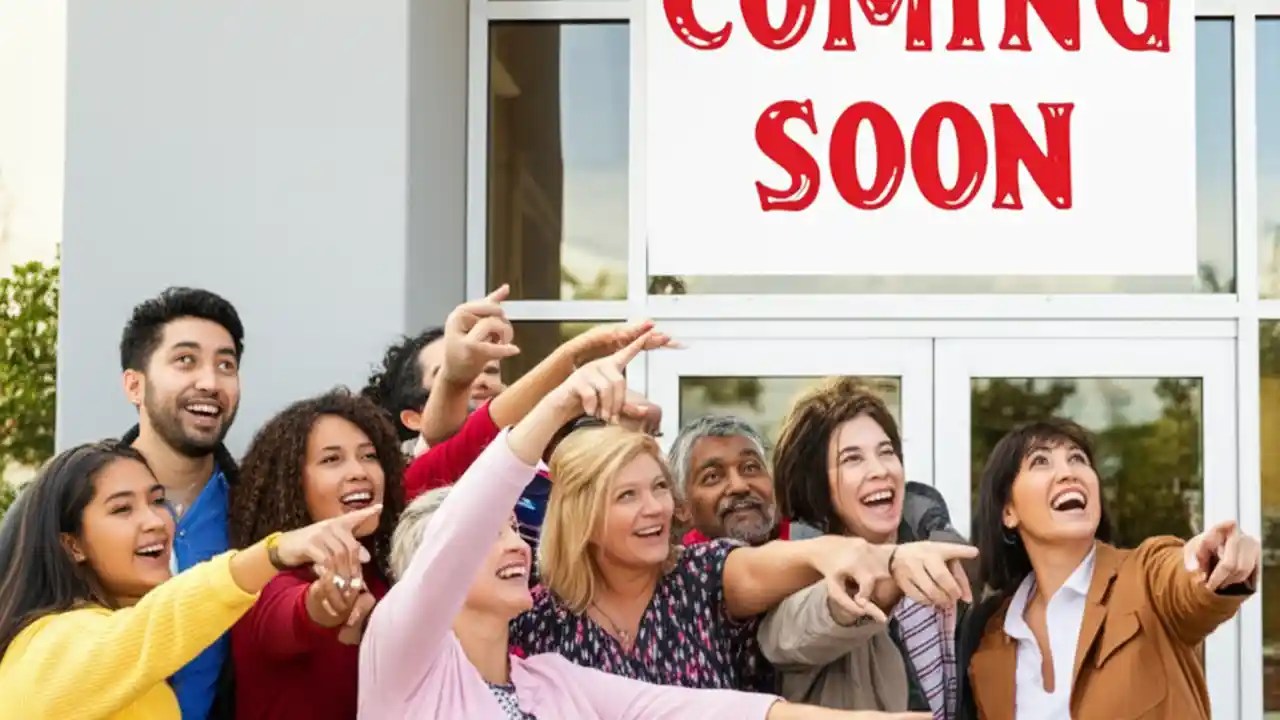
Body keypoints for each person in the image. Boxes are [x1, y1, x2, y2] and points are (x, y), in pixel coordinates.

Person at [360, 333, 929, 720]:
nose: (515, 544)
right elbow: (467, 518)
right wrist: (561, 396)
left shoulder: (546, 681)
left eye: (659, 488)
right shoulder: (404, 660)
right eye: (627, 495)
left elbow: (706, 710)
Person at [511, 391, 975, 693]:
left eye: (658, 488)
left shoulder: (700, 576)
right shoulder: (533, 622)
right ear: (582, 515)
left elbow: (781, 565)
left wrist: (882, 558)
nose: (654, 508)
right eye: (627, 496)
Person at [0, 440, 383, 720]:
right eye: (122, 509)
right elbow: (157, 624)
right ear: (72, 545)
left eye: (157, 501)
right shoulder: (51, 644)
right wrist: (274, 552)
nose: (155, 521)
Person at [960, 419, 1260, 720]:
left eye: (1077, 459)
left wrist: (1210, 562)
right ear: (1008, 512)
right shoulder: (989, 640)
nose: (1068, 473)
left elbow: (1180, 579)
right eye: (1041, 461)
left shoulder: (1144, 577)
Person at [760, 379, 974, 716]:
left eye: (886, 452)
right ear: (816, 485)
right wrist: (889, 569)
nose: (879, 470)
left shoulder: (938, 555)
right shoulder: (793, 585)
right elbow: (789, 636)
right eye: (852, 459)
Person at [227, 389, 406, 720]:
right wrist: (330, 599)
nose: (359, 471)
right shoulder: (264, 582)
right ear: (290, 483)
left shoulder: (384, 570)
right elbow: (293, 615)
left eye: (369, 456)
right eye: (331, 460)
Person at [118, 286, 245, 720]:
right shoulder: (72, 506)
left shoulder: (259, 513)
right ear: (135, 385)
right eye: (185, 360)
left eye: (226, 365)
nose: (210, 383)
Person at [667, 415, 796, 546]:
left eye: (750, 468)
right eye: (713, 476)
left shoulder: (803, 535)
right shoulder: (677, 558)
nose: (739, 487)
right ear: (681, 507)